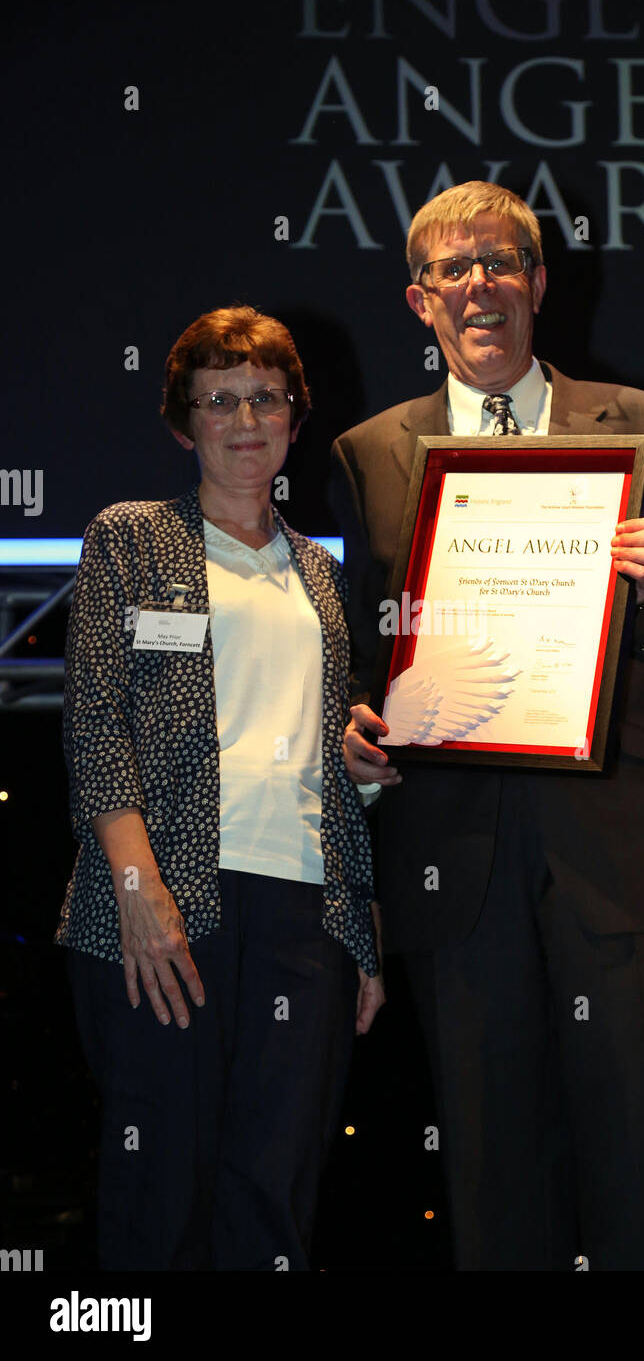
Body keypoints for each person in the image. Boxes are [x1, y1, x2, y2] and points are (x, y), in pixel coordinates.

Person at [329, 182, 644, 1271]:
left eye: (500, 263)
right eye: (451, 271)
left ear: (539, 282)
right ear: (417, 301)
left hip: (618, 848)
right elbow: (372, 646)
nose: (478, 287)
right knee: (491, 1173)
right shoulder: (368, 450)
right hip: (453, 858)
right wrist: (359, 727)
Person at [57, 305, 384, 1271]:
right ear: (181, 421)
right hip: (165, 905)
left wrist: (358, 930)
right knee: (158, 1202)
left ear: (295, 415)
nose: (247, 420)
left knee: (274, 1207)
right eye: (220, 400)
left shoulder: (322, 576)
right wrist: (135, 891)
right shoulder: (131, 540)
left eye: (266, 397)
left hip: (305, 921)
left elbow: (329, 761)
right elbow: (95, 725)